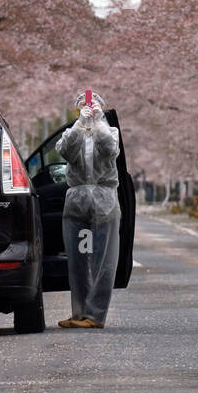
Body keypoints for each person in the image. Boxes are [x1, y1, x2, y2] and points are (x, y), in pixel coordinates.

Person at [55, 89, 121, 329]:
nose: (88, 110)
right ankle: (79, 313)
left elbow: (110, 150)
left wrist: (99, 123)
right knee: (77, 260)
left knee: (103, 260)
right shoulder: (71, 134)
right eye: (83, 107)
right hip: (77, 202)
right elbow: (64, 150)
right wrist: (79, 124)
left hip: (104, 201)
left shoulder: (110, 132)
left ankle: (96, 315)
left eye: (93, 107)